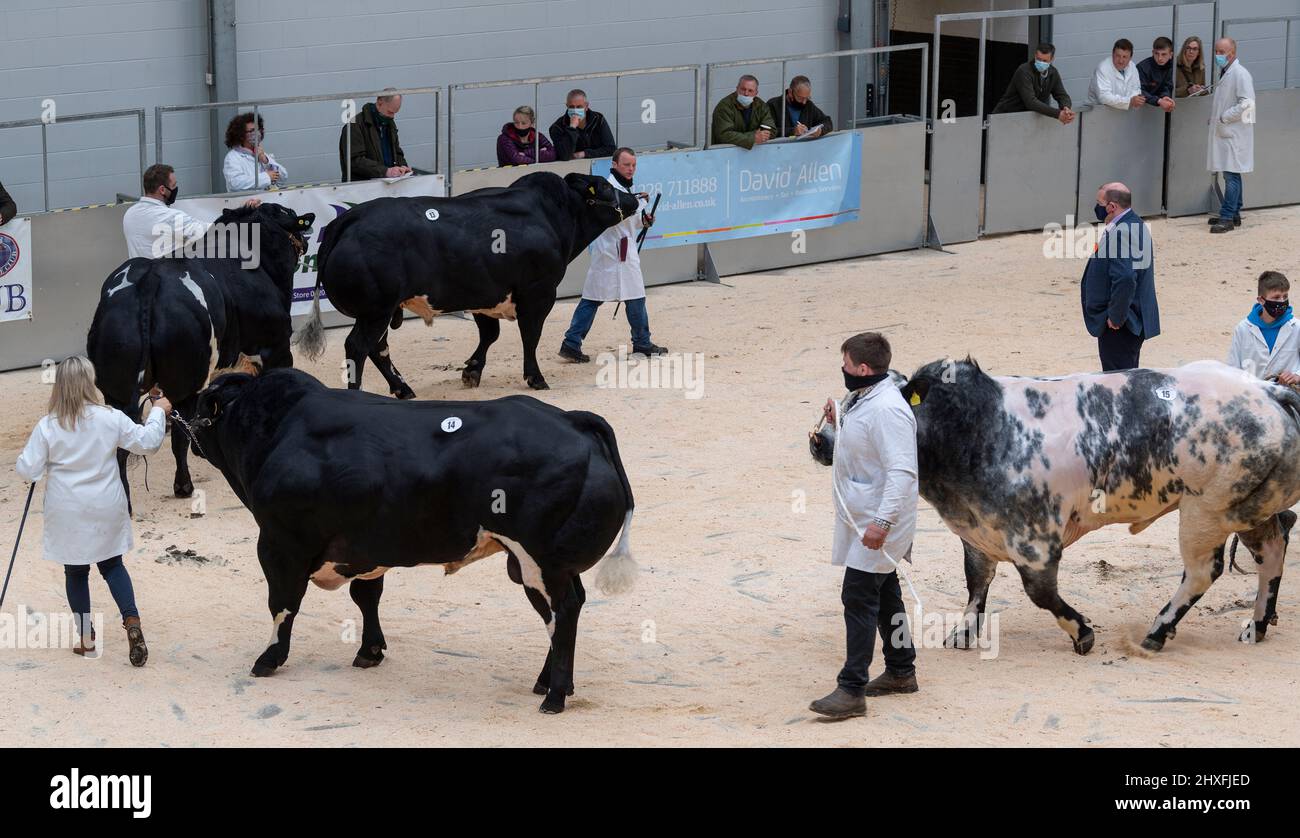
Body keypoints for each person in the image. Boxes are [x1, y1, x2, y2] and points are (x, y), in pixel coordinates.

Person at [15, 356, 173, 664]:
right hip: (106, 504)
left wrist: (37, 463)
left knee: (75, 572)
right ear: (90, 383)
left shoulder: (48, 425)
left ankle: (87, 640)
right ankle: (132, 623)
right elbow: (148, 442)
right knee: (113, 565)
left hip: (67, 509)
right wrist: (157, 412)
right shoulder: (109, 417)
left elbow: (27, 469)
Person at [807, 332, 919, 720]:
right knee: (886, 591)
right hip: (866, 514)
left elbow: (902, 473)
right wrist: (840, 417)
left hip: (878, 519)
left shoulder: (888, 409)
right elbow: (864, 435)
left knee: (857, 597)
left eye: (847, 364)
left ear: (863, 369)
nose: (843, 370)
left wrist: (882, 523)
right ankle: (902, 670)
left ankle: (852, 688)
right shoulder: (867, 396)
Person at [559, 147, 666, 361]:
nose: (630, 169)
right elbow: (617, 214)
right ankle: (640, 342)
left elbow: (629, 219)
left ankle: (573, 342)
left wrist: (643, 220)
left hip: (619, 250)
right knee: (604, 297)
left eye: (633, 165)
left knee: (620, 296)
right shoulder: (607, 189)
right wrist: (640, 203)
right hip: (611, 250)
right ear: (614, 164)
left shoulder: (625, 188)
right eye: (626, 165)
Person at [1081, 182, 1160, 371]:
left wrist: (1116, 317)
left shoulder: (1123, 233)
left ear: (1112, 206)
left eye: (1100, 203)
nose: (1097, 208)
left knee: (1118, 382)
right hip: (1129, 321)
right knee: (1127, 377)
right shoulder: (1134, 223)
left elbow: (1125, 278)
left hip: (1121, 326)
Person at [122, 164, 258, 259]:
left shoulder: (129, 214)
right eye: (173, 186)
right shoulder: (172, 217)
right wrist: (243, 210)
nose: (176, 189)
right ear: (162, 190)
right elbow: (216, 230)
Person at [1208, 38, 1255, 234]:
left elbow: (1248, 103)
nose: (1218, 54)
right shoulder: (1226, 72)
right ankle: (1234, 212)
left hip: (1234, 133)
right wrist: (1215, 118)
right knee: (1232, 173)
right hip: (1226, 131)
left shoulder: (1240, 74)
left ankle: (1227, 217)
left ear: (1232, 53)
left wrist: (1224, 117)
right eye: (1217, 50)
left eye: (1222, 51)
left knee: (1230, 175)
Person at [1227, 271, 1300, 384]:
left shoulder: (1297, 327)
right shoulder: (1243, 329)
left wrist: (1297, 376)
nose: (1282, 301)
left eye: (1285, 296)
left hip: (1288, 396)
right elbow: (1233, 369)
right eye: (1276, 297)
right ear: (1261, 300)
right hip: (1252, 396)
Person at [991, 42, 1074, 124]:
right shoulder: (1024, 71)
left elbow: (1062, 95)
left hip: (1025, 119)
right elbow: (1030, 102)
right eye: (1038, 59)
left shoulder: (1053, 73)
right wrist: (1058, 114)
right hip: (1006, 116)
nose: (1041, 63)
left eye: (1045, 61)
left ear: (1051, 60)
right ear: (1035, 56)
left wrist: (1066, 108)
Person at [339, 90, 412, 181]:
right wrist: (385, 171)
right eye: (390, 112)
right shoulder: (354, 125)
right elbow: (354, 161)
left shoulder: (389, 124)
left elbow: (397, 151)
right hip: (362, 187)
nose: (393, 116)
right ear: (380, 102)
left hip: (388, 183)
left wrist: (403, 166)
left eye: (395, 113)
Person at [222, 112, 288, 191]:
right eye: (251, 131)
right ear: (241, 135)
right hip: (244, 201)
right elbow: (235, 183)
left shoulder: (261, 154)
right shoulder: (232, 157)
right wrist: (266, 177)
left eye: (258, 130)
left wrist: (265, 160)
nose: (256, 133)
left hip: (267, 199)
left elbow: (283, 178)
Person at [548, 90, 616, 162]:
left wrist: (584, 154)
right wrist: (572, 128)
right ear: (567, 106)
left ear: (586, 106)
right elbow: (565, 155)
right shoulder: (557, 127)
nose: (575, 110)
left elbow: (611, 149)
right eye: (571, 107)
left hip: (597, 167)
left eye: (579, 107)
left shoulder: (598, 119)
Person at [711, 75, 777, 149]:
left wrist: (760, 136)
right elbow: (724, 135)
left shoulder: (761, 106)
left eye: (750, 90)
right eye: (743, 89)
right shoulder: (724, 106)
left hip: (753, 154)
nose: (746, 93)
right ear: (737, 89)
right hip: (722, 153)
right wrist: (753, 138)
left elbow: (771, 130)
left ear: (756, 93)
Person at [765, 75, 833, 137]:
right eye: (800, 98)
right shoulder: (773, 105)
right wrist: (792, 131)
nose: (804, 102)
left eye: (807, 98)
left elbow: (827, 121)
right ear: (790, 92)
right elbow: (766, 130)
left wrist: (820, 130)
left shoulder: (809, 105)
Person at [1088, 39, 1145, 111]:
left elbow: (1136, 89)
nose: (1121, 61)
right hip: (1099, 112)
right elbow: (1104, 97)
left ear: (1130, 58)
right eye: (1118, 56)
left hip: (1123, 112)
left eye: (1125, 57)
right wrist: (1129, 101)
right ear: (1112, 54)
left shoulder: (1132, 66)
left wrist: (1133, 99)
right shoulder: (1103, 68)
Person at [1137, 37, 1177, 113]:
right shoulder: (1142, 67)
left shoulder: (1173, 66)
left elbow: (1168, 86)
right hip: (1141, 111)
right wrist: (1159, 100)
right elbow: (1139, 90)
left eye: (1164, 54)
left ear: (1171, 55)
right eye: (1156, 54)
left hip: (1161, 110)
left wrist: (1165, 96)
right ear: (1152, 52)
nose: (1160, 58)